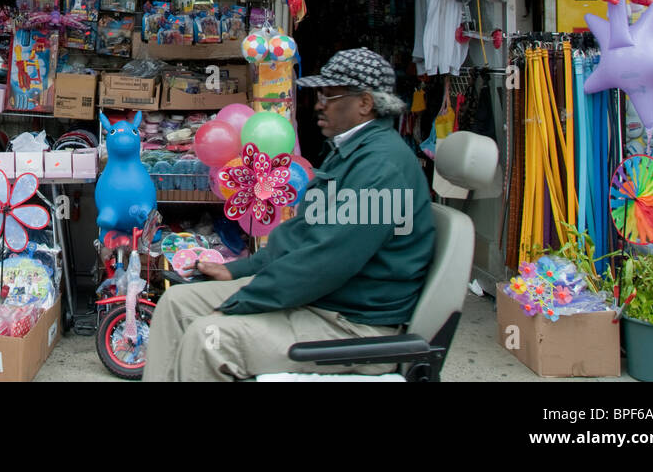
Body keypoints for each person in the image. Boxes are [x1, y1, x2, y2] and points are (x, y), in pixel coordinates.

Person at [143, 48, 435, 382]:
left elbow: (325, 262)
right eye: (319, 94)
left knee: (209, 338)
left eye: (329, 94)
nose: (319, 103)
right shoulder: (351, 152)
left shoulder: (382, 167)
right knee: (175, 305)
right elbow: (301, 235)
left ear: (365, 103)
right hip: (325, 301)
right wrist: (239, 270)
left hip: (353, 323)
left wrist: (245, 299)